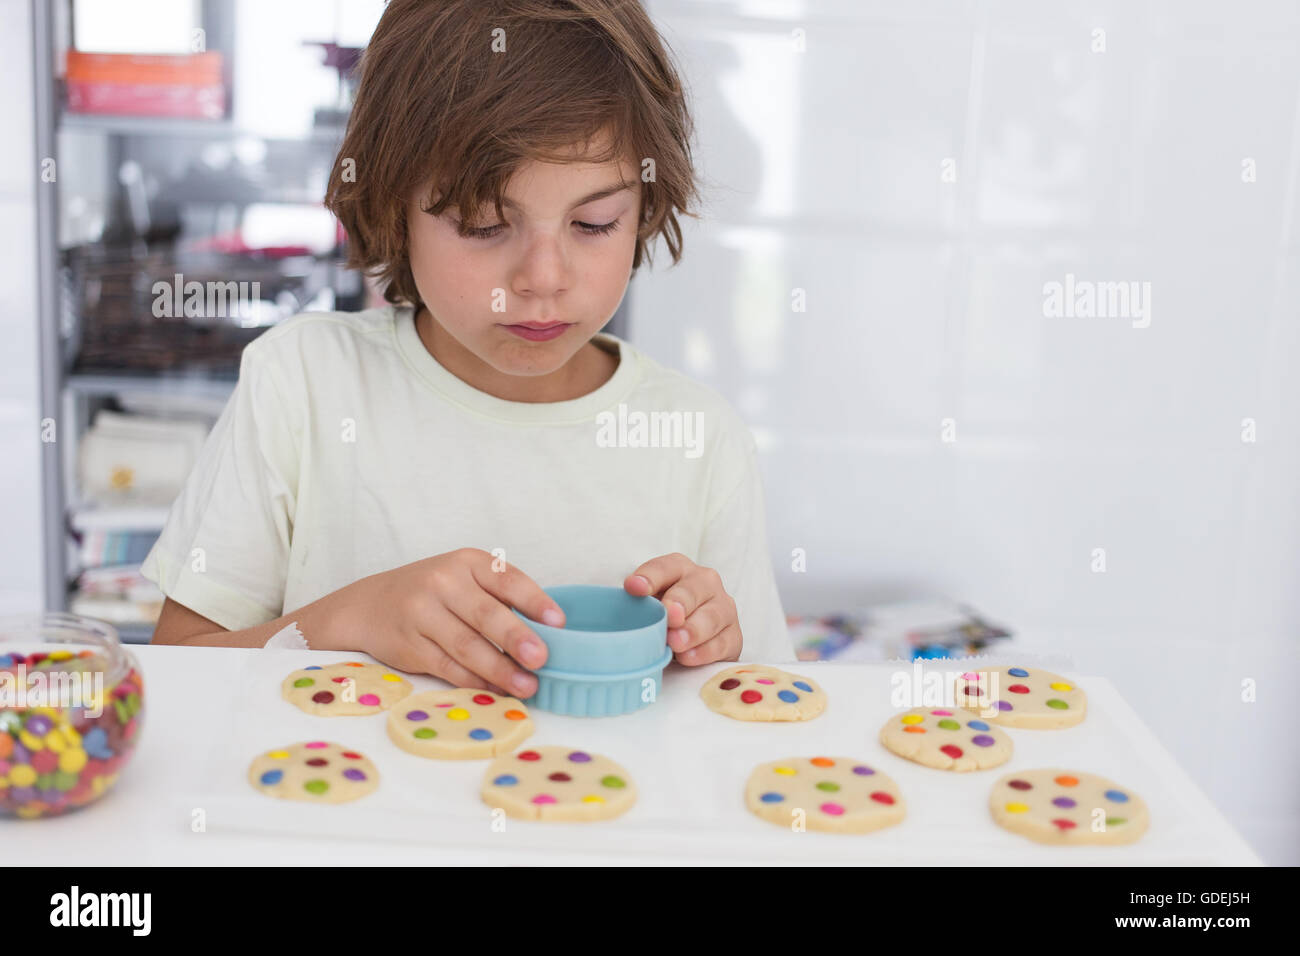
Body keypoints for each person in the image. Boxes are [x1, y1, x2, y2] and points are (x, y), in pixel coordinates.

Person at [144, 0, 794, 697]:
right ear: (395, 204)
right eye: (485, 224)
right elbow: (178, 675)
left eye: (595, 223)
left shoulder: (699, 438)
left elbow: (764, 706)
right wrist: (346, 620)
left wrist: (716, 649)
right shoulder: (303, 385)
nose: (544, 279)